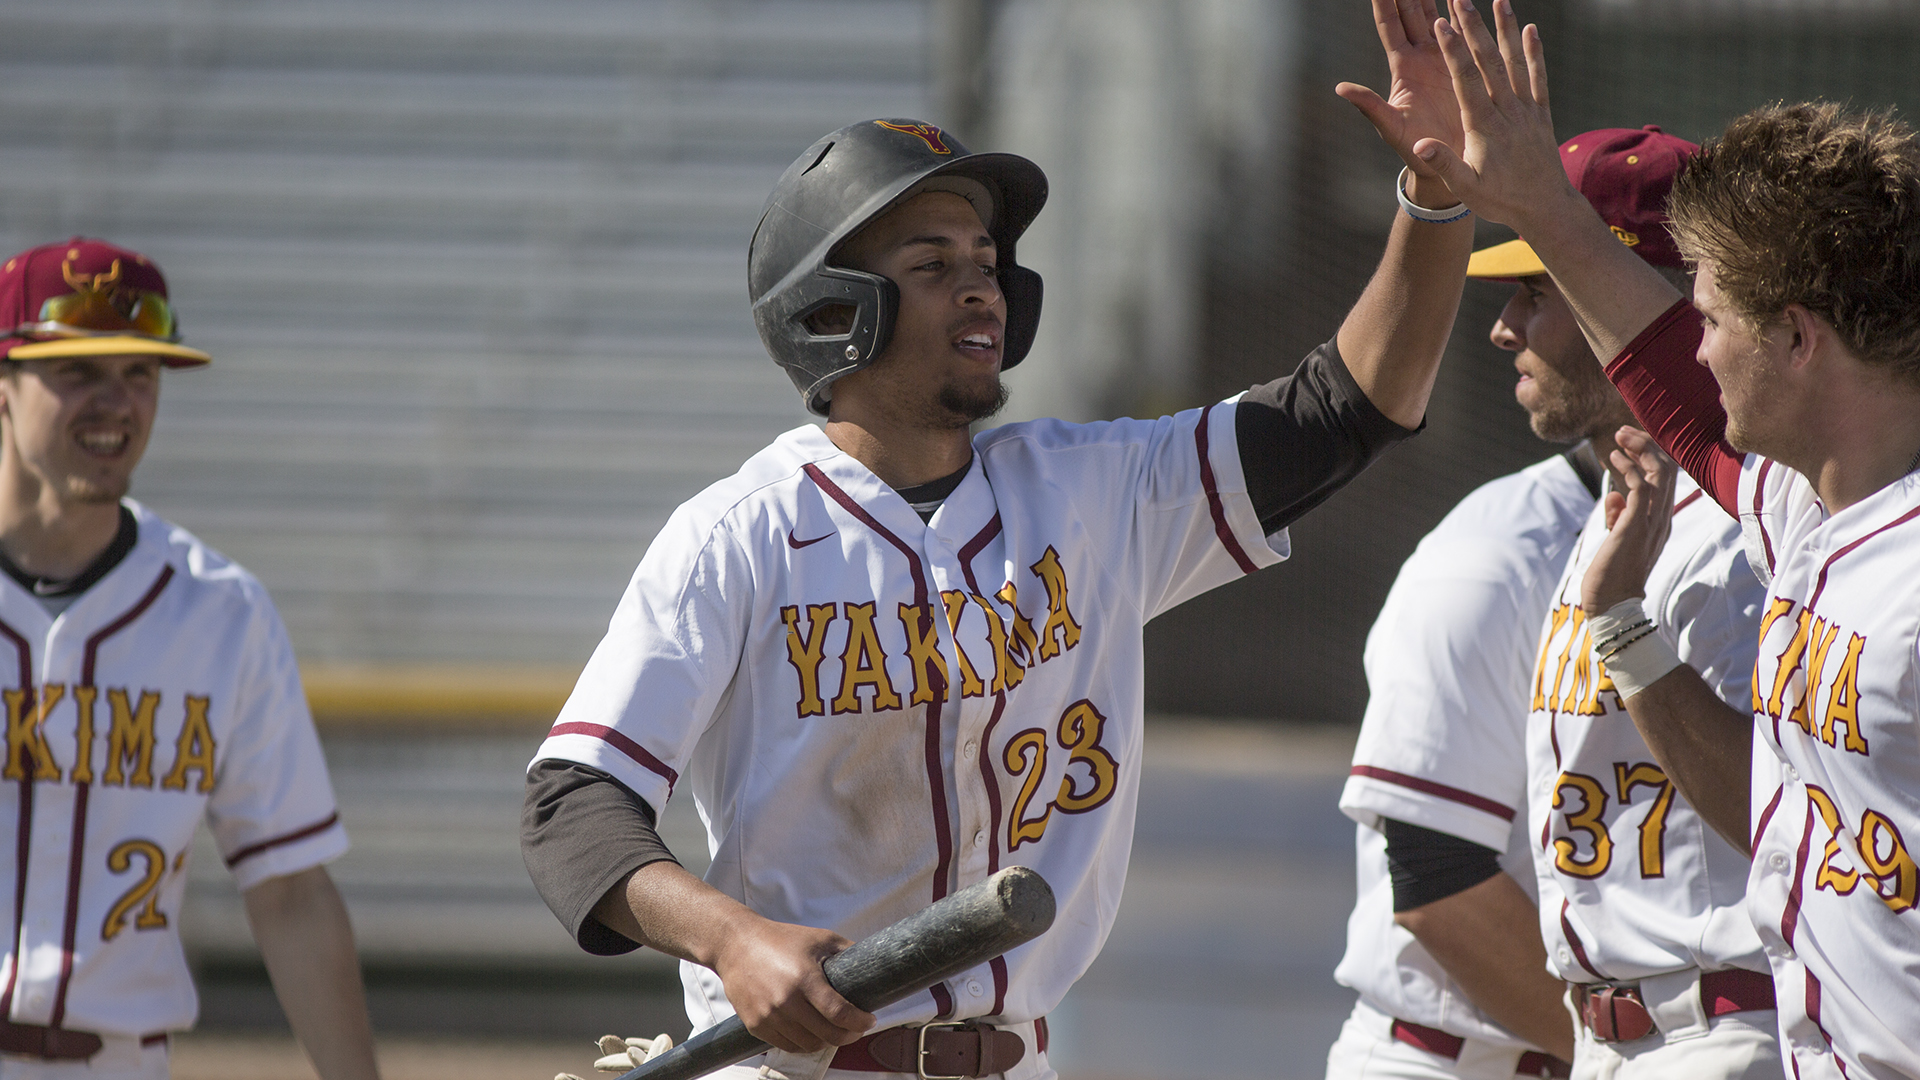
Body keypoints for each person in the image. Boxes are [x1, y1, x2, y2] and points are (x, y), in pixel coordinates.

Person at [521, 3, 1480, 1075]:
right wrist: (730, 938)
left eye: (986, 255)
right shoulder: (738, 539)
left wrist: (1434, 201)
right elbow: (573, 805)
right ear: (834, 312)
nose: (980, 280)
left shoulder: (1091, 492)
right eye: (931, 262)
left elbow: (1346, 411)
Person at [1419, 3, 1920, 1077]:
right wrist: (1543, 211)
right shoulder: (1802, 511)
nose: (1694, 338)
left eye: (1711, 311)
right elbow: (1670, 380)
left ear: (1796, 337)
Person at [1327, 118, 1779, 1079]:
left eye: (1540, 288)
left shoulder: (1782, 522)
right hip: (1471, 1053)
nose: (1501, 328)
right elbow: (1434, 876)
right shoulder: (1504, 551)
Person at [0, 238, 380, 1079]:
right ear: (4, 378)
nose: (117, 402)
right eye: (81, 370)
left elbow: (291, 891)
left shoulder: (220, 611)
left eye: (142, 372)